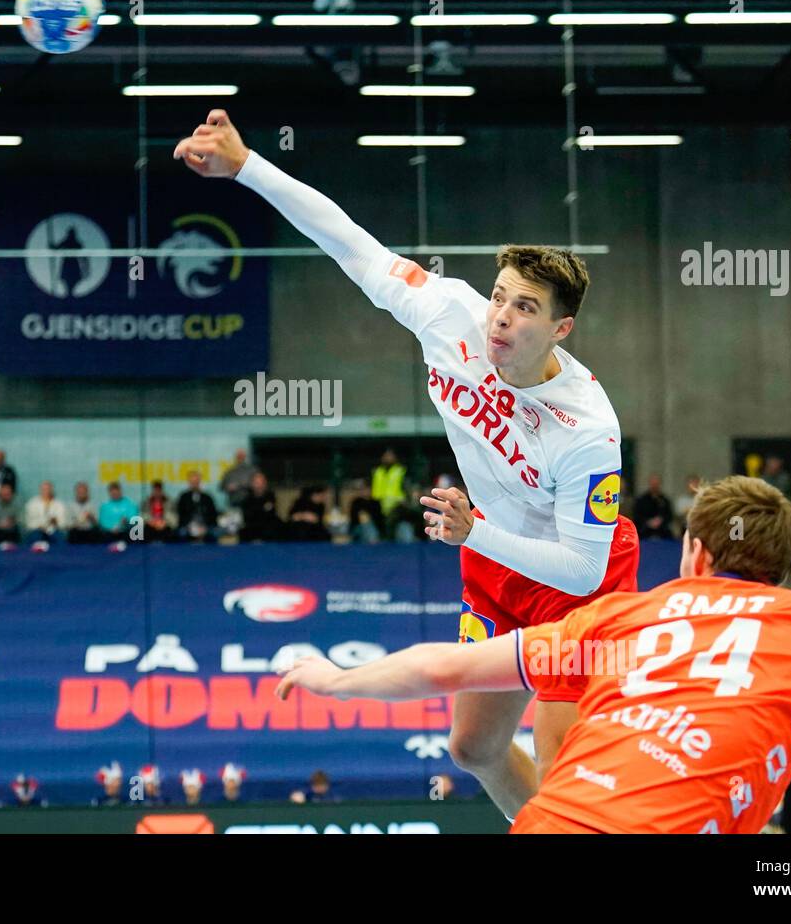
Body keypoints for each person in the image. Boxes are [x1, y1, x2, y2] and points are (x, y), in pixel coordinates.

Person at [175, 109, 640, 822]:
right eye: (500, 297)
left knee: (564, 770)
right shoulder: (448, 315)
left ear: (560, 328)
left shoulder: (586, 428)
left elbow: (580, 568)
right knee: (473, 749)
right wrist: (246, 167)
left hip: (577, 580)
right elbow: (350, 244)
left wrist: (470, 533)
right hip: (490, 558)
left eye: (525, 308)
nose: (501, 318)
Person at [275, 476, 791, 833]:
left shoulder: (623, 619)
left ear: (693, 555)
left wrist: (335, 678)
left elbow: (442, 668)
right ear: (785, 569)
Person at [175, 470, 218, 542]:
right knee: (181, 533)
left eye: (196, 482)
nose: (194, 484)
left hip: (205, 526)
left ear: (200, 482)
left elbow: (213, 515)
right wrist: (190, 526)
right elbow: (180, 515)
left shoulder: (207, 497)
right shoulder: (183, 497)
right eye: (192, 482)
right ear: (189, 483)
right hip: (188, 526)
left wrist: (205, 527)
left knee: (216, 532)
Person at [239, 471, 281, 542]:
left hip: (269, 528)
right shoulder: (247, 499)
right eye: (257, 483)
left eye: (262, 482)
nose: (259, 486)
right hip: (252, 528)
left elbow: (270, 514)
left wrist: (259, 510)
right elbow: (248, 517)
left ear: (265, 483)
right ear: (252, 484)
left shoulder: (270, 496)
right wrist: (262, 509)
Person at [371, 449, 406, 530]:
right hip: (379, 506)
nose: (387, 458)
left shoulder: (400, 470)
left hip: (397, 506)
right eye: (385, 455)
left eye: (390, 455)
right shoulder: (377, 471)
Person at [632, 473, 674, 539]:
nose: (654, 485)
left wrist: (660, 521)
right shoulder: (641, 500)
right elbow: (637, 515)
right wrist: (648, 522)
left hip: (662, 530)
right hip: (644, 530)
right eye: (653, 483)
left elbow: (669, 516)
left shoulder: (665, 500)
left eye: (656, 483)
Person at [23, 480, 66, 545]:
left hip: (53, 530)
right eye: (44, 489)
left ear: (52, 490)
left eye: (48, 489)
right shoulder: (32, 503)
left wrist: (56, 522)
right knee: (35, 536)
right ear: (40, 490)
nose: (46, 491)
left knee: (59, 537)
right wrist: (40, 526)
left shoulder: (59, 504)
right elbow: (28, 522)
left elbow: (63, 523)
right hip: (36, 530)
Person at [0, 482, 22, 546]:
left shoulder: (17, 501)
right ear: (0, 495)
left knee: (21, 529)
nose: (6, 496)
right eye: (4, 494)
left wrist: (12, 522)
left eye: (8, 494)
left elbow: (21, 517)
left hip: (13, 528)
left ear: (12, 494)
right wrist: (0, 524)